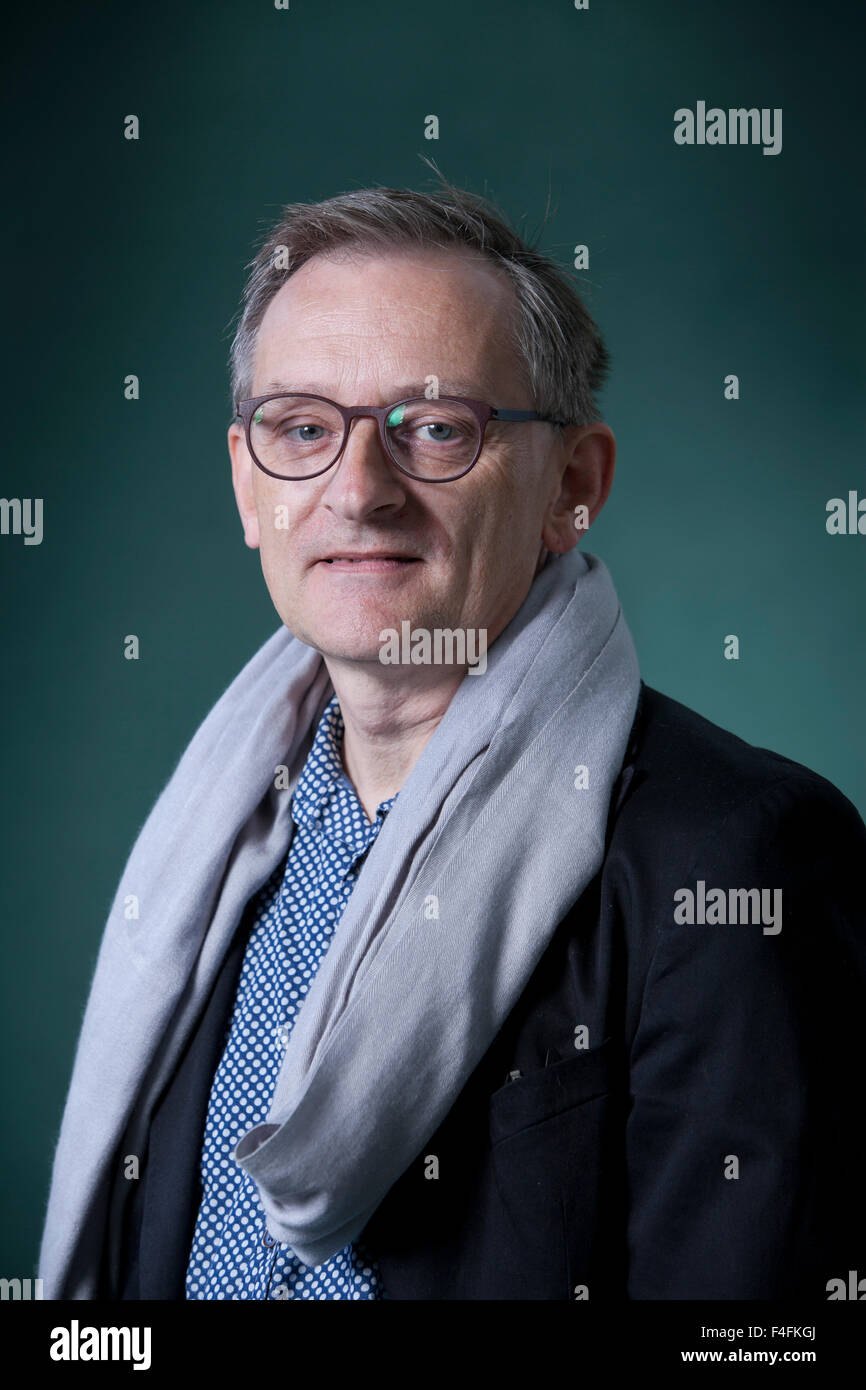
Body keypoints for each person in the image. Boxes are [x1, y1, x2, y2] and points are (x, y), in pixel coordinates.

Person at [39, 179, 866, 1301]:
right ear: (247, 484)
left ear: (571, 488)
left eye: (432, 428)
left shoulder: (737, 855)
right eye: (300, 428)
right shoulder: (211, 844)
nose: (357, 490)